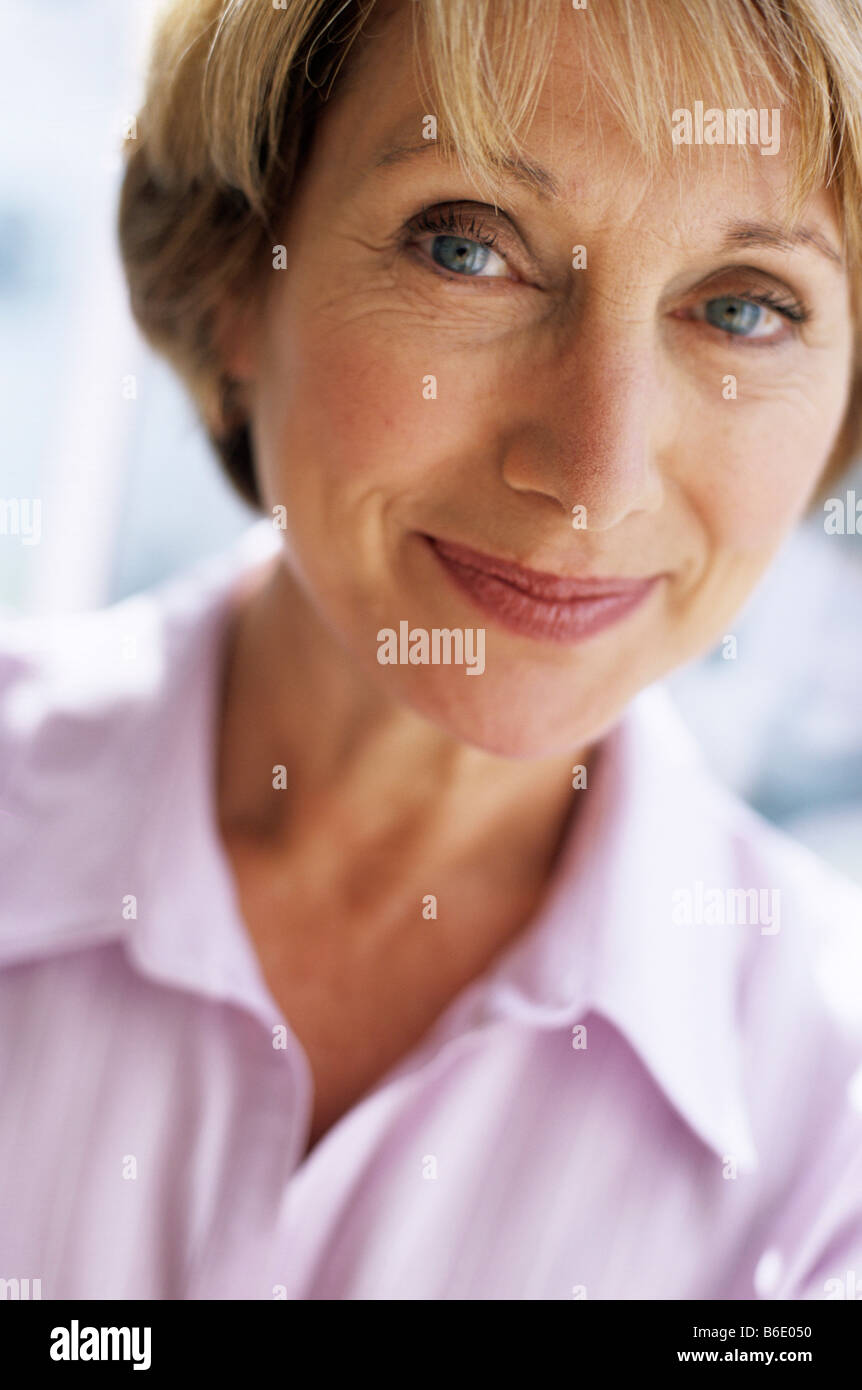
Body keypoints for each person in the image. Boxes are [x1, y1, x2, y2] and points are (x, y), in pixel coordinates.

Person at [2, 0, 862, 1300]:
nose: (595, 476)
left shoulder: (829, 1132)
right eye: (466, 247)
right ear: (235, 274)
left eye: (743, 310)